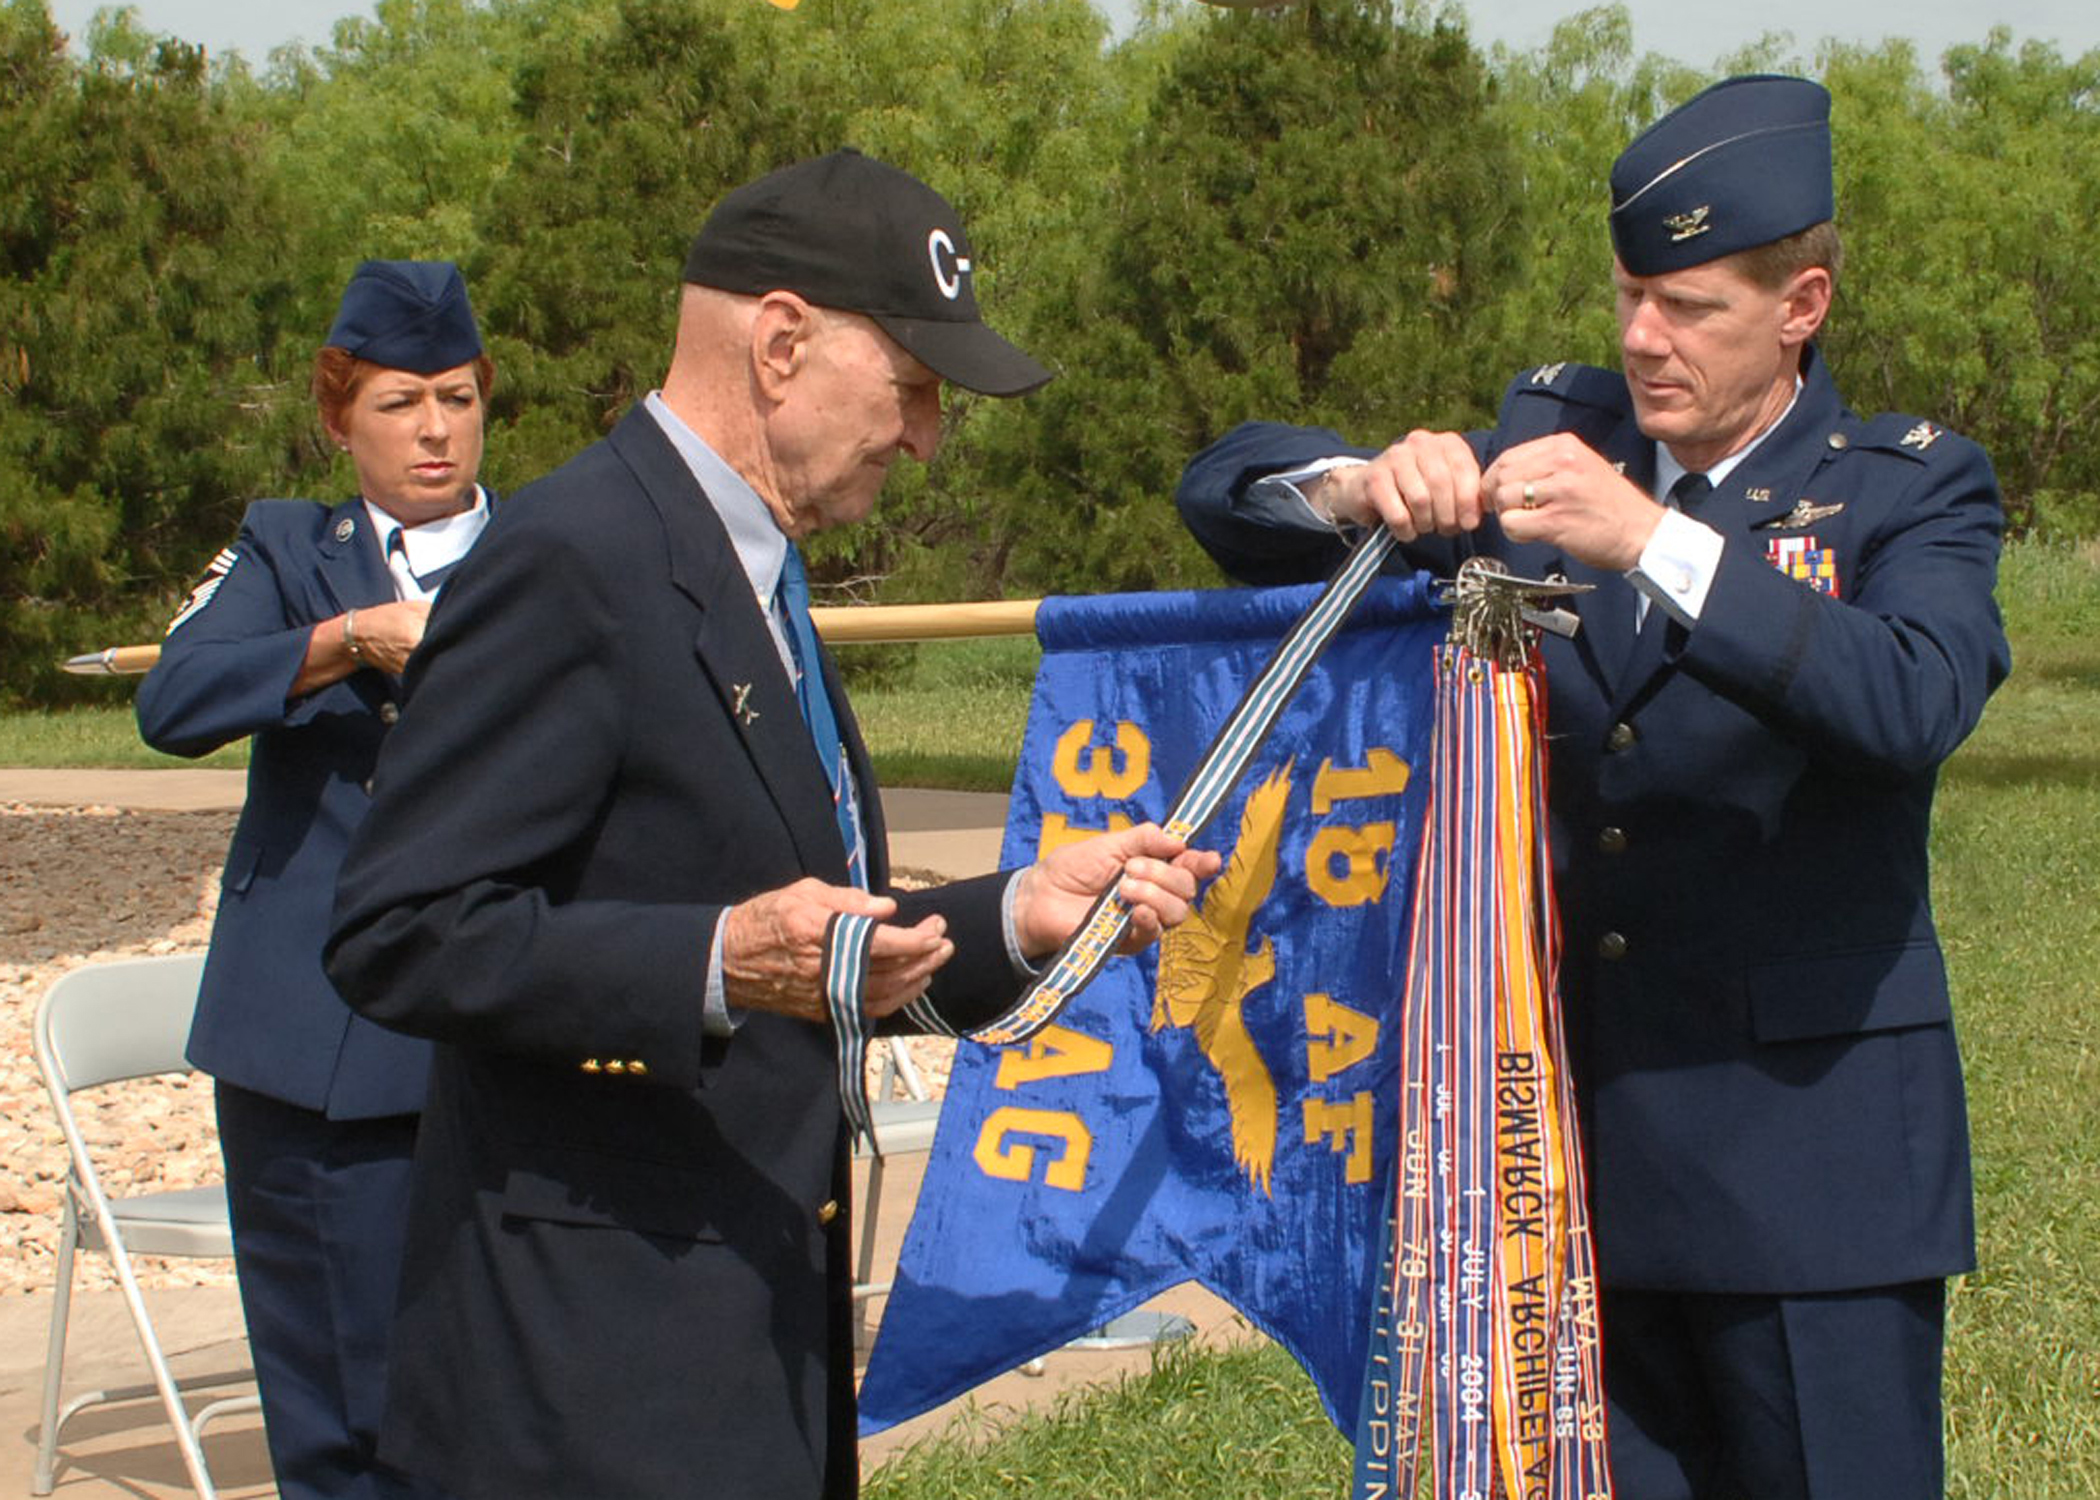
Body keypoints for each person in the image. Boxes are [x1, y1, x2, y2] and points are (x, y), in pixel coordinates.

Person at [322, 149, 1217, 1500]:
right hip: (592, 1386)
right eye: (913, 388)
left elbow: (798, 929)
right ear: (782, 342)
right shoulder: (575, 557)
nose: (926, 437)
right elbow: (397, 931)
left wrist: (1011, 915)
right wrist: (710, 965)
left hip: (746, 1348)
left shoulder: (751, 568)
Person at [1176, 75, 2008, 1500]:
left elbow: (1910, 698)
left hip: (1810, 1180)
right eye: (1629, 293)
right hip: (1566, 1190)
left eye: (1689, 306)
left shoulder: (1905, 488)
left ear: (1801, 303)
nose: (1640, 339)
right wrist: (1363, 482)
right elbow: (1220, 494)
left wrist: (1654, 545)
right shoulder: (1558, 443)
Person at [136, 259, 494, 1499]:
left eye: (457, 396)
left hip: (510, 1023)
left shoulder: (555, 546)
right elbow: (174, 701)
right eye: (400, 402)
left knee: (508, 1395)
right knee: (341, 1420)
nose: (435, 429)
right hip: (317, 1045)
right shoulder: (289, 549)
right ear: (340, 416)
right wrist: (348, 642)